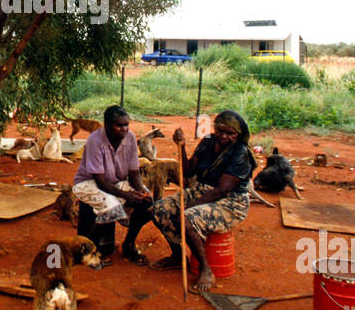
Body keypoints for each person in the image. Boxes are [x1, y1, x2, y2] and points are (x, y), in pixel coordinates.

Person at [150, 109, 256, 292]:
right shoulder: (208, 142)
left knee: (187, 218)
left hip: (230, 202)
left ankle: (206, 269)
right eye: (220, 131)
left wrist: (189, 207)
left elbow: (222, 190)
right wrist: (181, 146)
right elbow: (189, 171)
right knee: (159, 209)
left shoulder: (241, 153)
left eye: (230, 133)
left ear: (238, 134)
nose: (223, 136)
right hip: (201, 191)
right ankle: (177, 256)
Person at [71, 105, 154, 264]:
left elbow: (134, 172)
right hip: (88, 183)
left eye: (126, 125)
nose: (124, 129)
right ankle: (87, 253)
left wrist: (140, 191)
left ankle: (129, 244)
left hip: (115, 183)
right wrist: (126, 195)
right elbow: (100, 181)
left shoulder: (130, 137)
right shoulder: (95, 140)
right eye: (119, 125)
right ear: (107, 125)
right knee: (112, 209)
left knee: (147, 203)